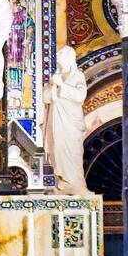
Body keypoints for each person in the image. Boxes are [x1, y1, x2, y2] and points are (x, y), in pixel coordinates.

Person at [43, 45, 91, 195]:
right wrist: (53, 87)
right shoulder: (56, 77)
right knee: (57, 150)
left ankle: (75, 184)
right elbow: (44, 96)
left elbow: (80, 95)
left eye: (62, 62)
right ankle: (62, 183)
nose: (60, 65)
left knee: (72, 152)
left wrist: (61, 85)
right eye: (58, 63)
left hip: (71, 123)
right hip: (57, 122)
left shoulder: (77, 76)